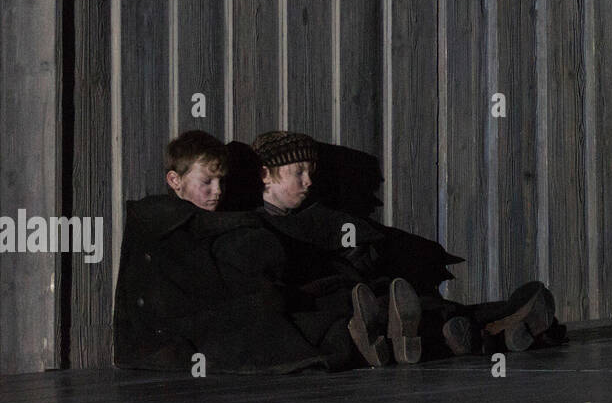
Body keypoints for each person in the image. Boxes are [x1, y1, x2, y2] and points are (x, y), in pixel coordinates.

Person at [249, 130, 564, 364]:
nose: (307, 182)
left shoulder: (324, 216)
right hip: (337, 304)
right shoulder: (254, 226)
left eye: (310, 173)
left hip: (369, 292)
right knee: (399, 310)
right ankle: (488, 333)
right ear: (266, 175)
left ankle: (495, 327)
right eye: (297, 173)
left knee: (427, 307)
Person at [114, 130, 357, 373]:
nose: (218, 191)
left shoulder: (212, 220)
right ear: (175, 181)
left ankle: (368, 327)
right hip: (180, 329)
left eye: (221, 181)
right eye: (207, 182)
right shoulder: (157, 216)